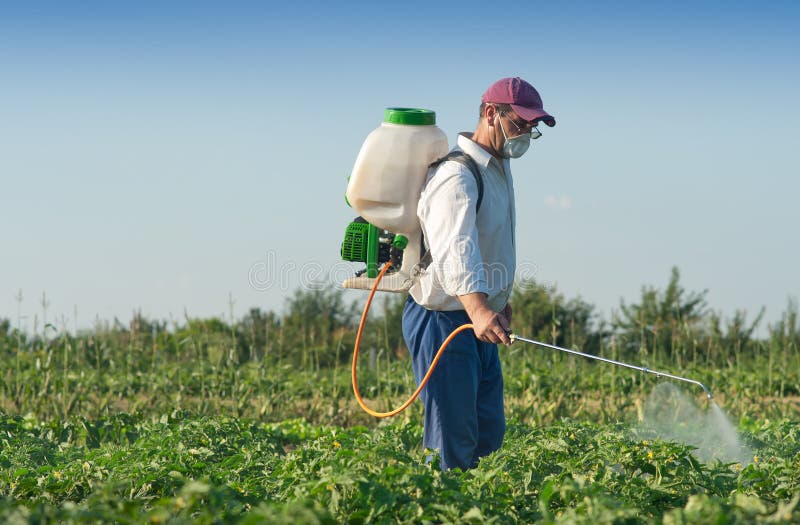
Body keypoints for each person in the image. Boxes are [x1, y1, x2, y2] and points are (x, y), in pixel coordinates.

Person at [402, 77, 555, 471]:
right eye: (520, 124)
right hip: (444, 320)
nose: (525, 134)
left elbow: (493, 243)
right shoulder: (457, 174)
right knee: (453, 441)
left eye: (531, 129)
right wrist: (479, 307)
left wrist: (499, 302)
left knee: (488, 434)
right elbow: (457, 251)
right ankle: (443, 510)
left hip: (477, 316)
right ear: (491, 114)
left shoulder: (497, 168)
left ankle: (478, 509)